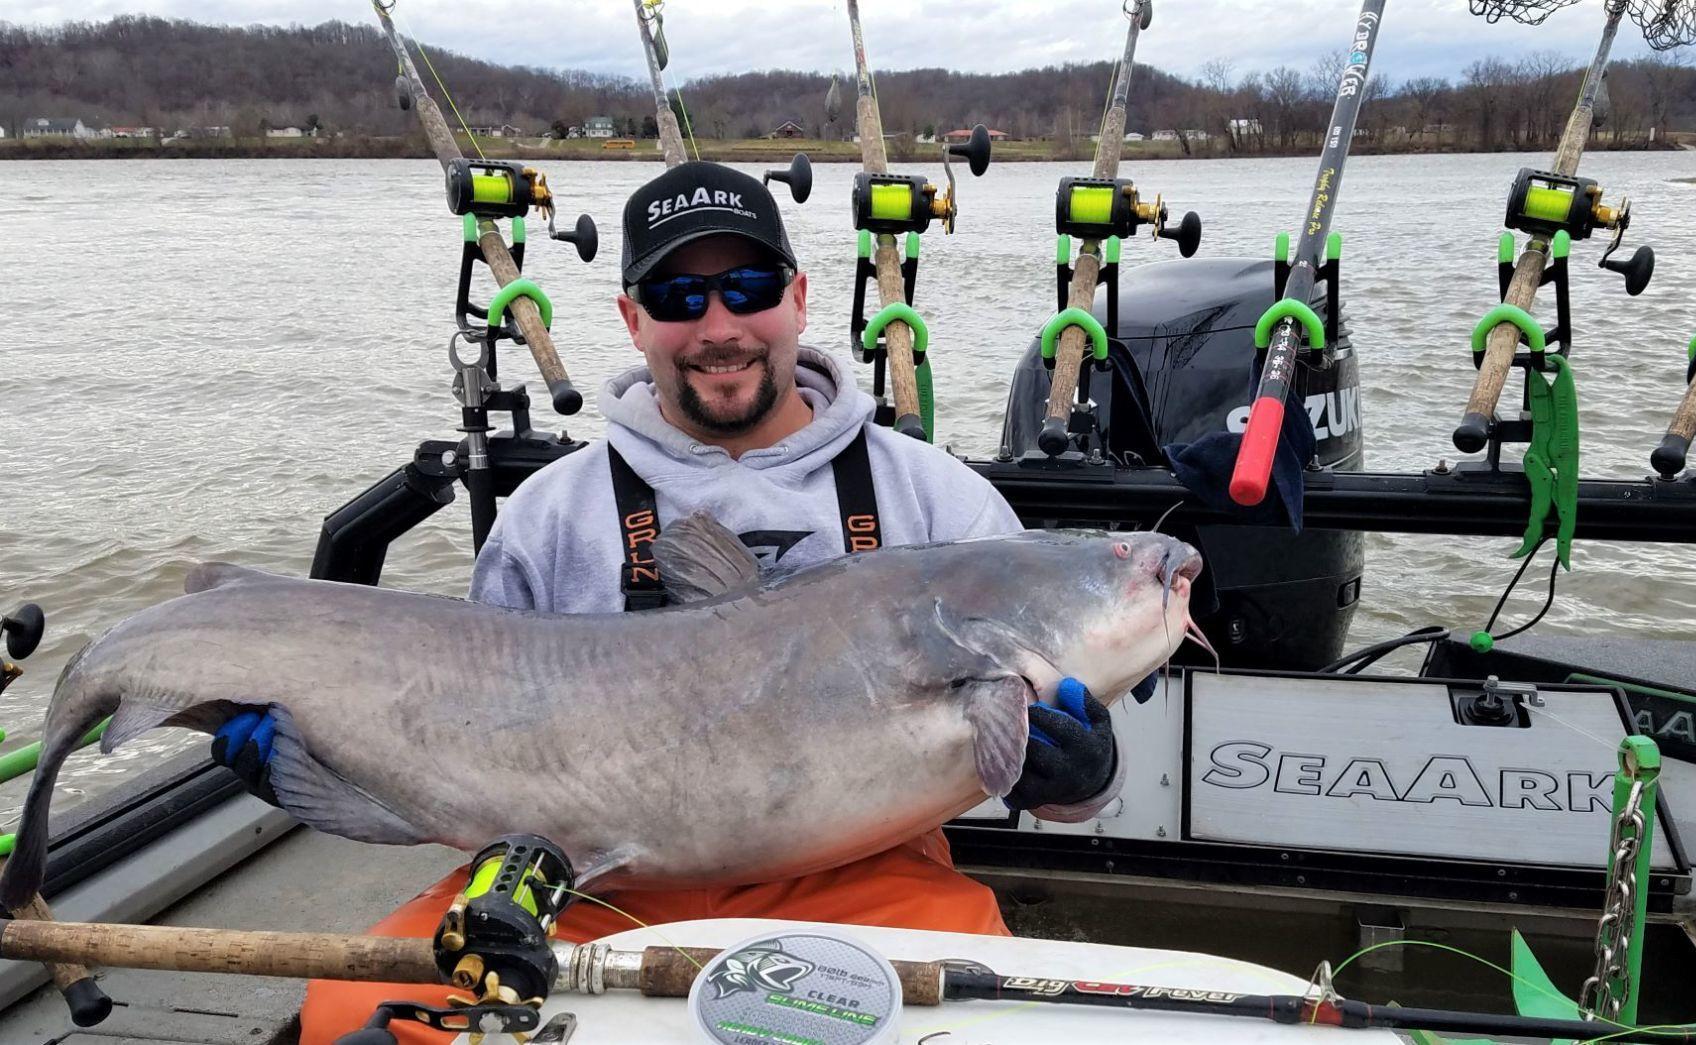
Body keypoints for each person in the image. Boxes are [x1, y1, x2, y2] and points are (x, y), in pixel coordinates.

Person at [207, 162, 1133, 1043]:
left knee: (987, 1012)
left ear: (799, 298)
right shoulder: (546, 515)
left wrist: (1082, 775)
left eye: (748, 287)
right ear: (631, 318)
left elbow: (1053, 779)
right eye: (677, 298)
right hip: (586, 877)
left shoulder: (943, 502)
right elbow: (474, 752)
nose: (718, 324)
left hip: (857, 865)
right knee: (350, 1013)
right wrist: (317, 759)